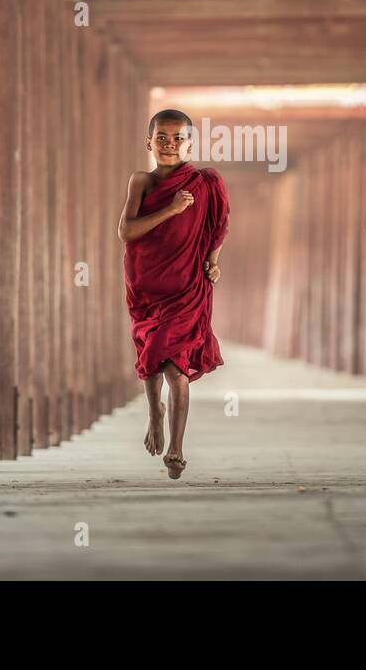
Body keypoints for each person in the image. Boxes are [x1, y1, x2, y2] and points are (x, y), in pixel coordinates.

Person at [118, 109, 229, 479]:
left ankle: (177, 449)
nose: (169, 145)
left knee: (177, 367)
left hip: (186, 288)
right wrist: (171, 209)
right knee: (151, 356)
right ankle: (155, 413)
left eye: (177, 138)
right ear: (148, 143)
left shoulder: (205, 182)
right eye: (161, 138)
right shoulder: (142, 182)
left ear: (190, 143)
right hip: (146, 285)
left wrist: (213, 261)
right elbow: (128, 231)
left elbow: (218, 226)